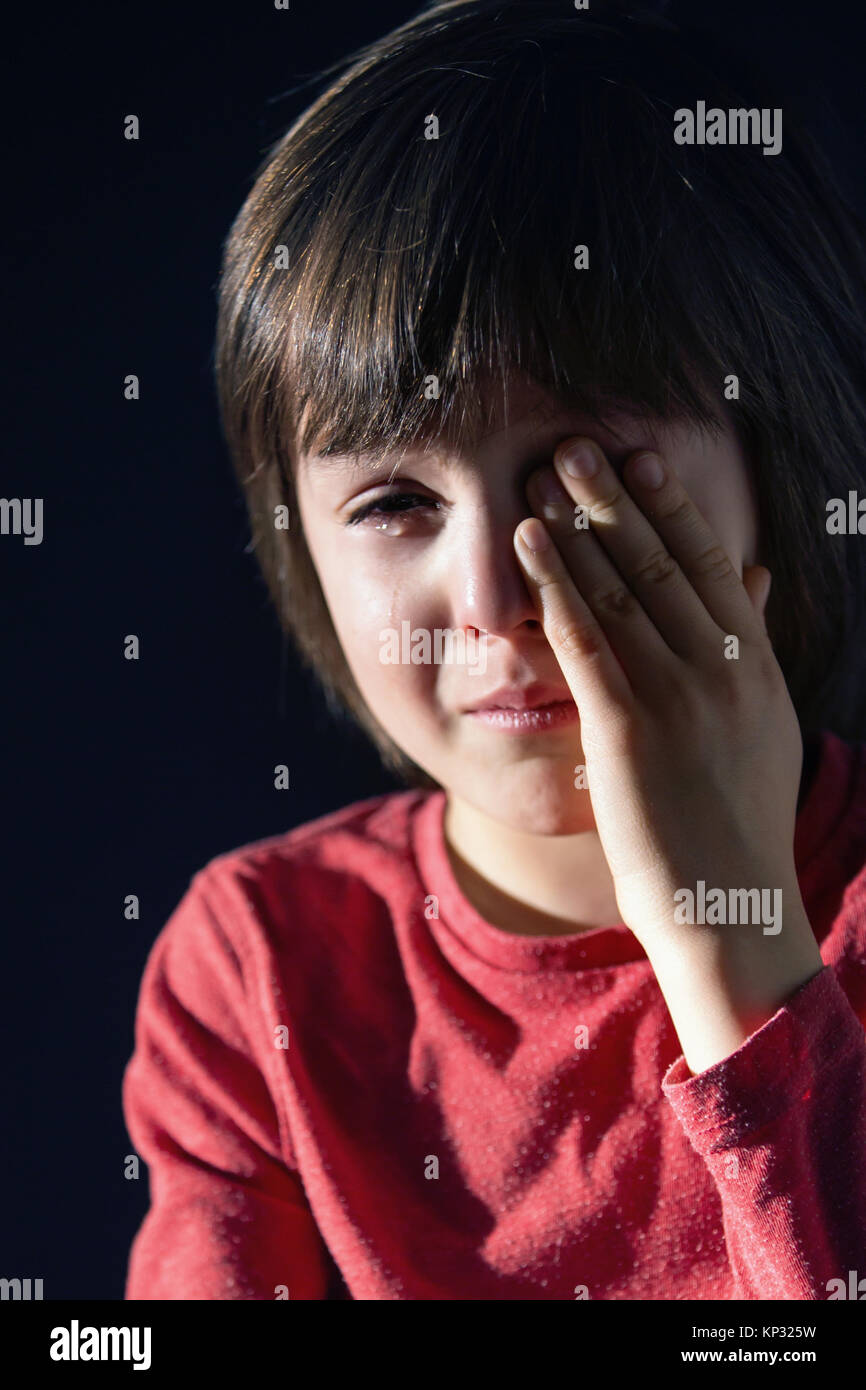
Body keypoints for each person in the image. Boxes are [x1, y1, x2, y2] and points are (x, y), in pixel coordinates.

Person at [123, 0, 866, 1299]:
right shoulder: (258, 964)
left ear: (782, 471)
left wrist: (728, 949)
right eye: (395, 502)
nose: (484, 594)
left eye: (577, 477)